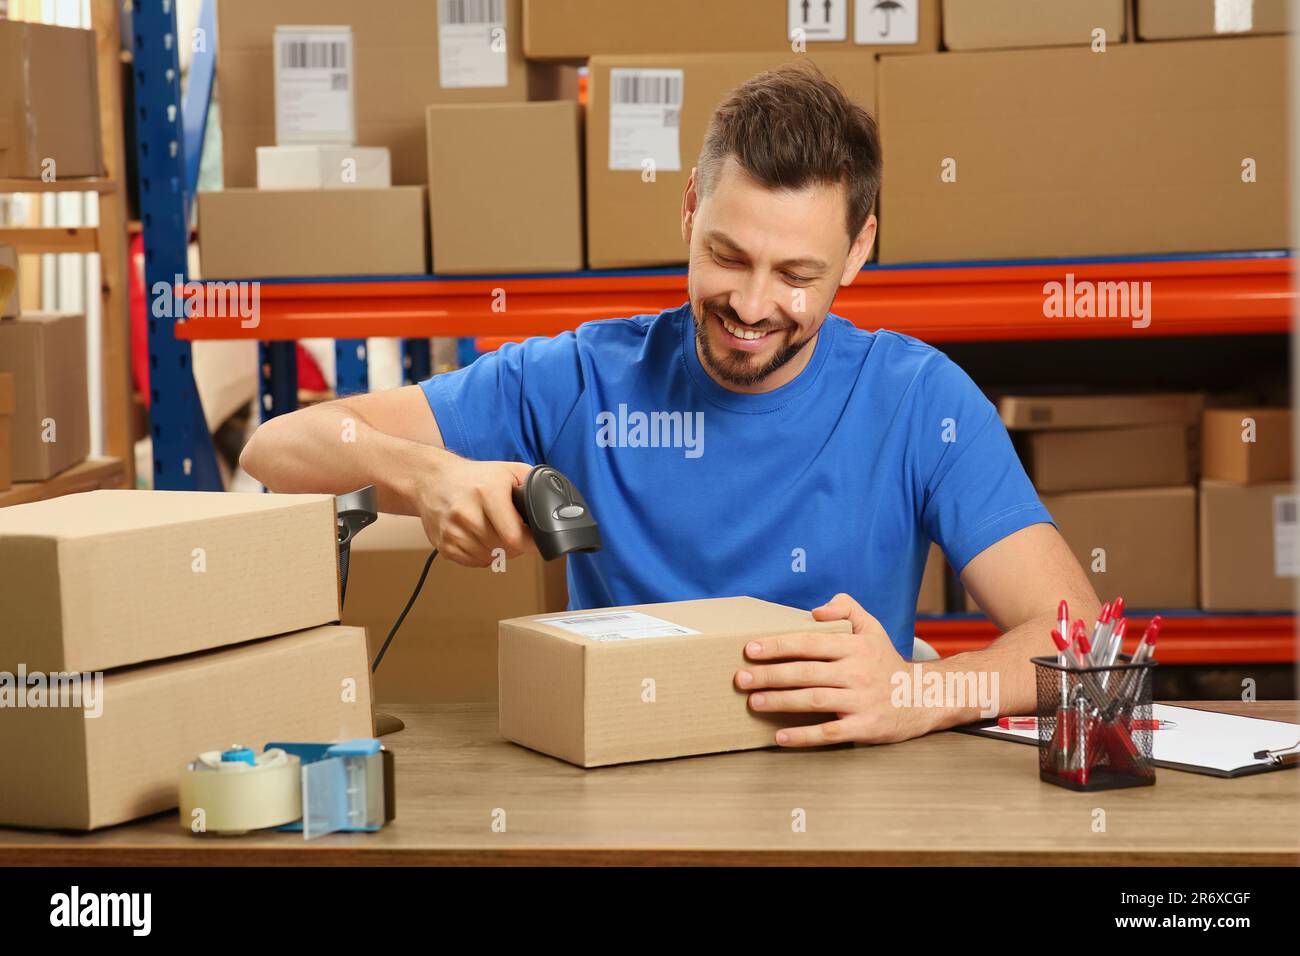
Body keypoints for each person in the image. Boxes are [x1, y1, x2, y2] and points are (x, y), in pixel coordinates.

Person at [242, 63, 1099, 747]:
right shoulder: (581, 377)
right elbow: (277, 447)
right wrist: (423, 473)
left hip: (843, 803)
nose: (754, 304)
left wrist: (921, 690)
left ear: (859, 250)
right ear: (689, 208)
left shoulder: (918, 399)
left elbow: (1086, 649)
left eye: (798, 275)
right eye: (728, 255)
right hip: (623, 789)